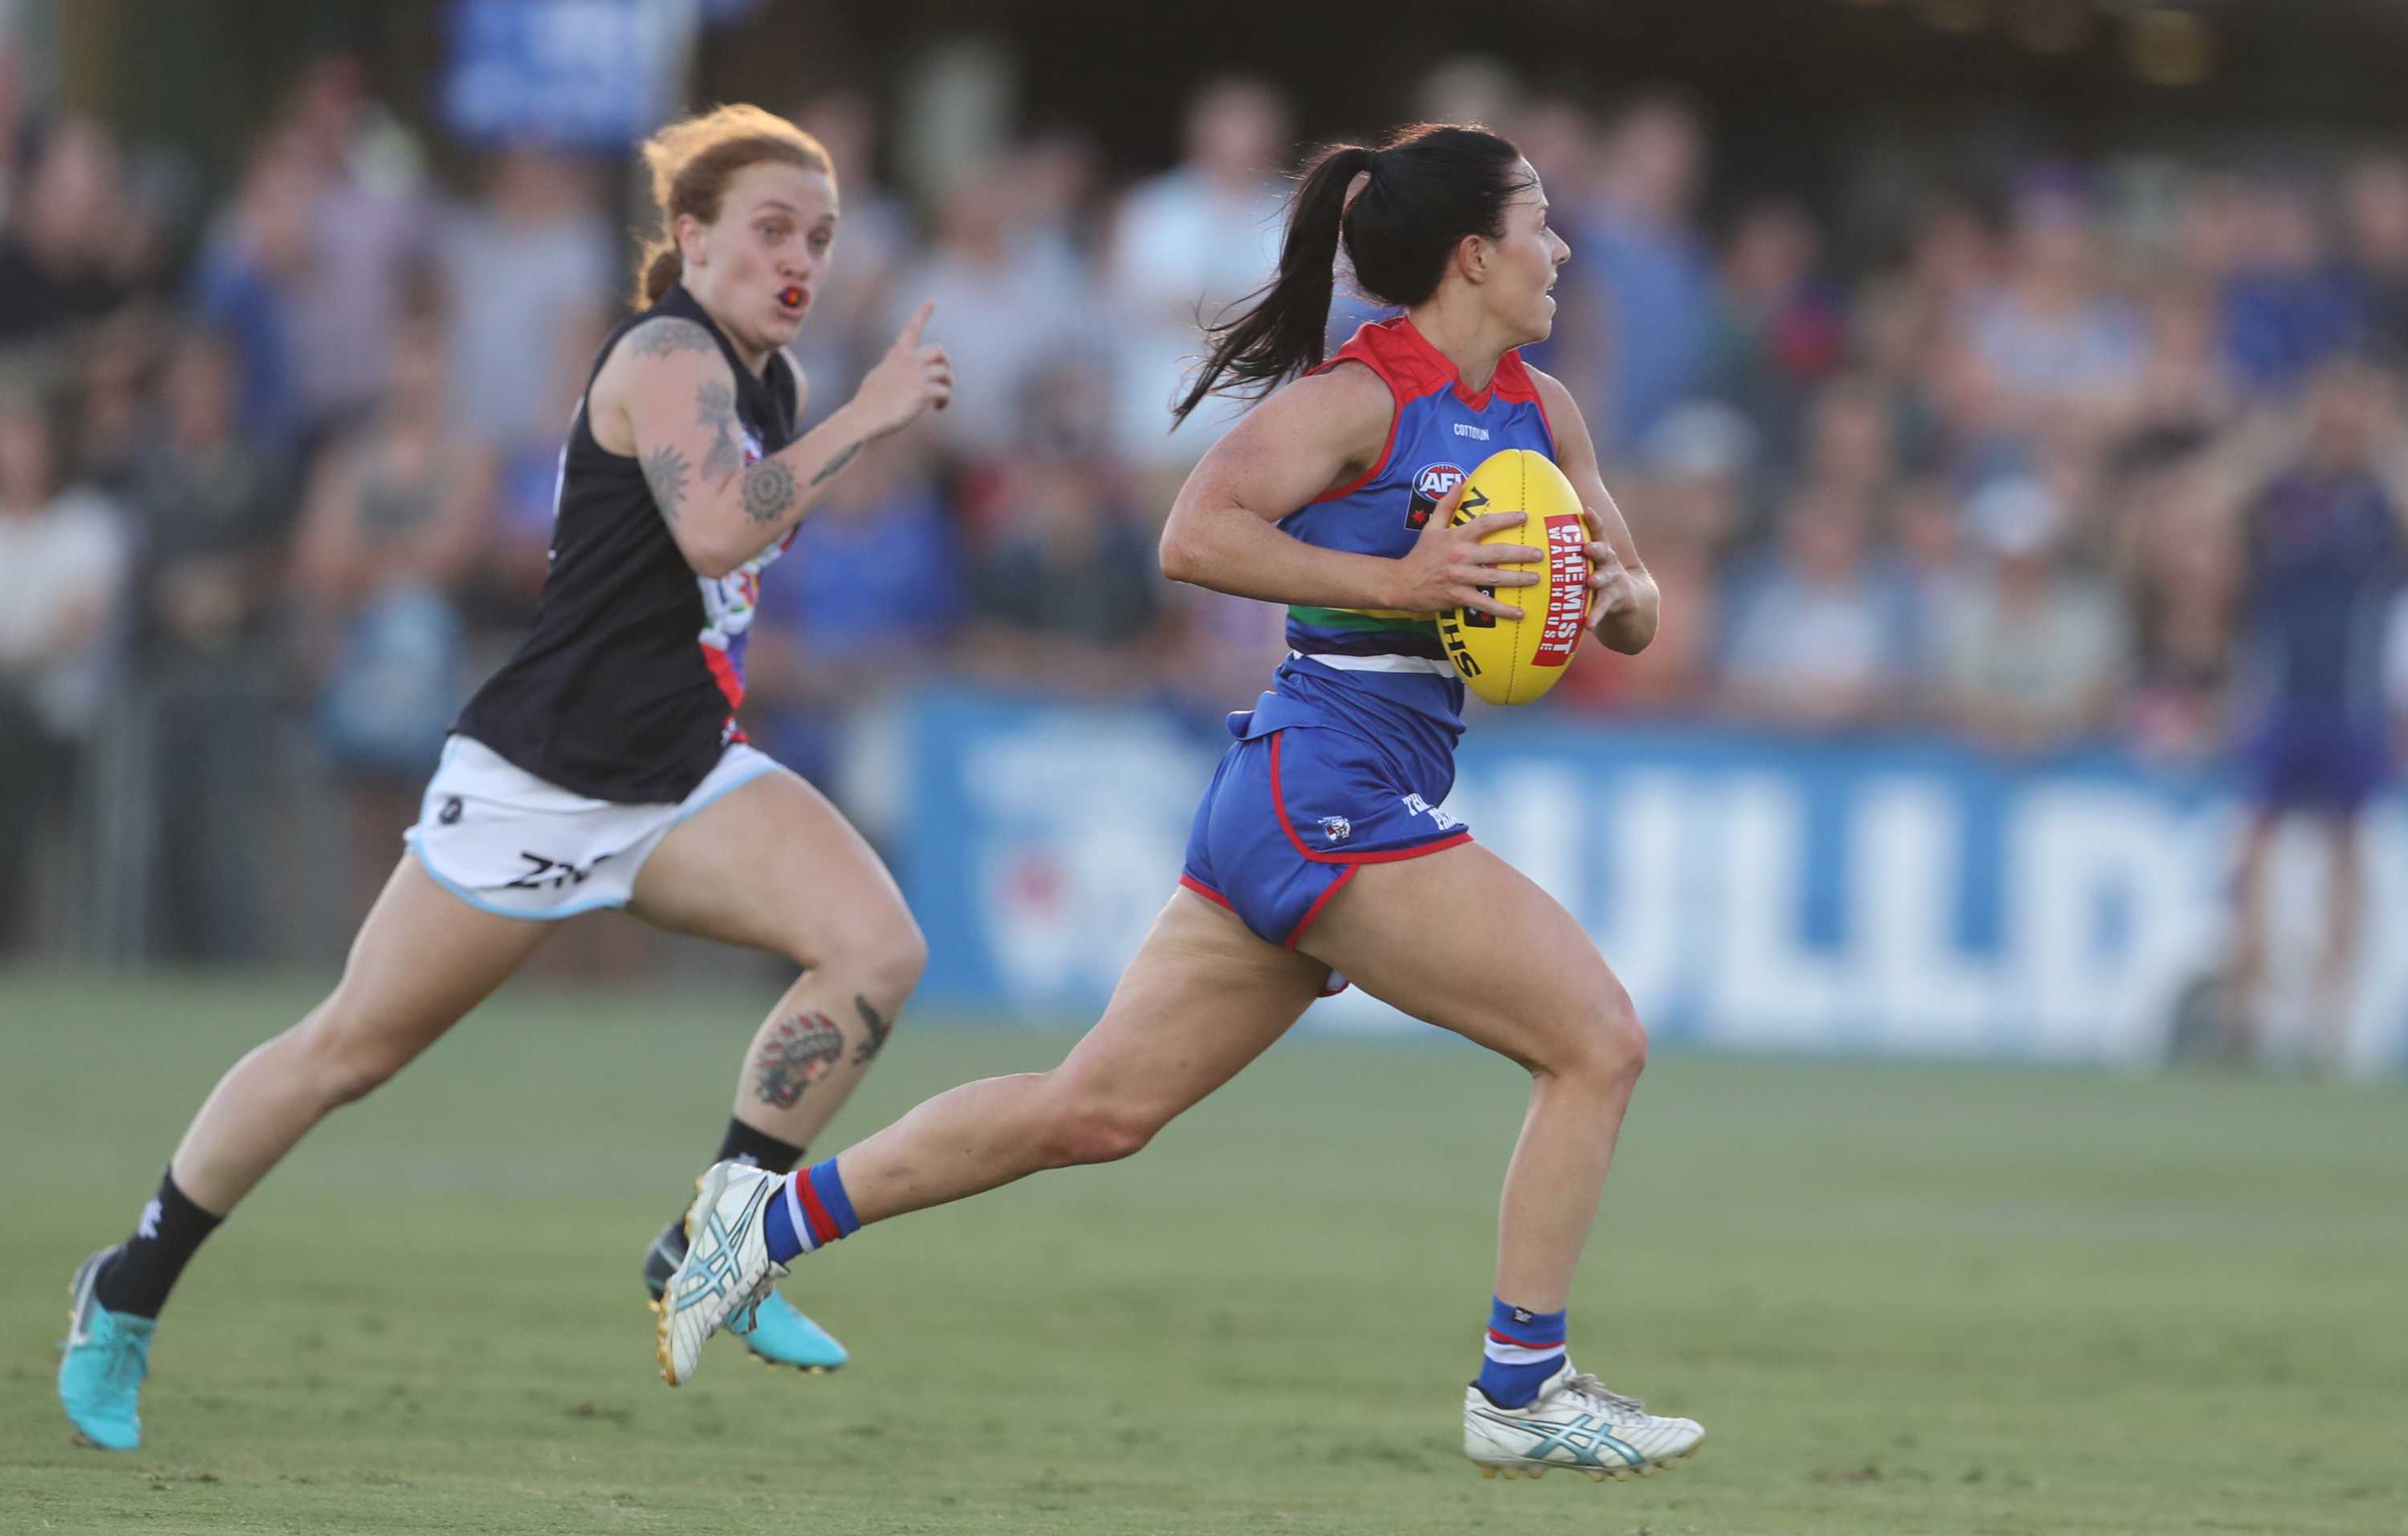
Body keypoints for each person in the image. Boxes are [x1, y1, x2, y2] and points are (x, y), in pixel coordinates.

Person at [660, 124, 1707, 1483]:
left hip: (1305, 798)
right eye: (1539, 225)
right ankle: (1523, 1387)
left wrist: (1623, 601)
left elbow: (1628, 610)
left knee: (1090, 1110)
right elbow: (1192, 535)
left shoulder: (1544, 414)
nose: (1560, 248)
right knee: (1596, 1039)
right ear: (1471, 255)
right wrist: (1410, 583)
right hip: (1320, 793)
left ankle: (758, 1222)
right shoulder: (1359, 399)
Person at [58, 103, 955, 1450]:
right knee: (344, 1051)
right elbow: (717, 530)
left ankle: (715, 1248)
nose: (801, 259)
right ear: (692, 238)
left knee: (876, 950)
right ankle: (125, 1288)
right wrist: (873, 421)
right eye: (771, 228)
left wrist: (840, 423)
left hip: (680, 776)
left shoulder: (771, 385)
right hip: (541, 779)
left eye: (820, 237)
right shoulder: (667, 352)